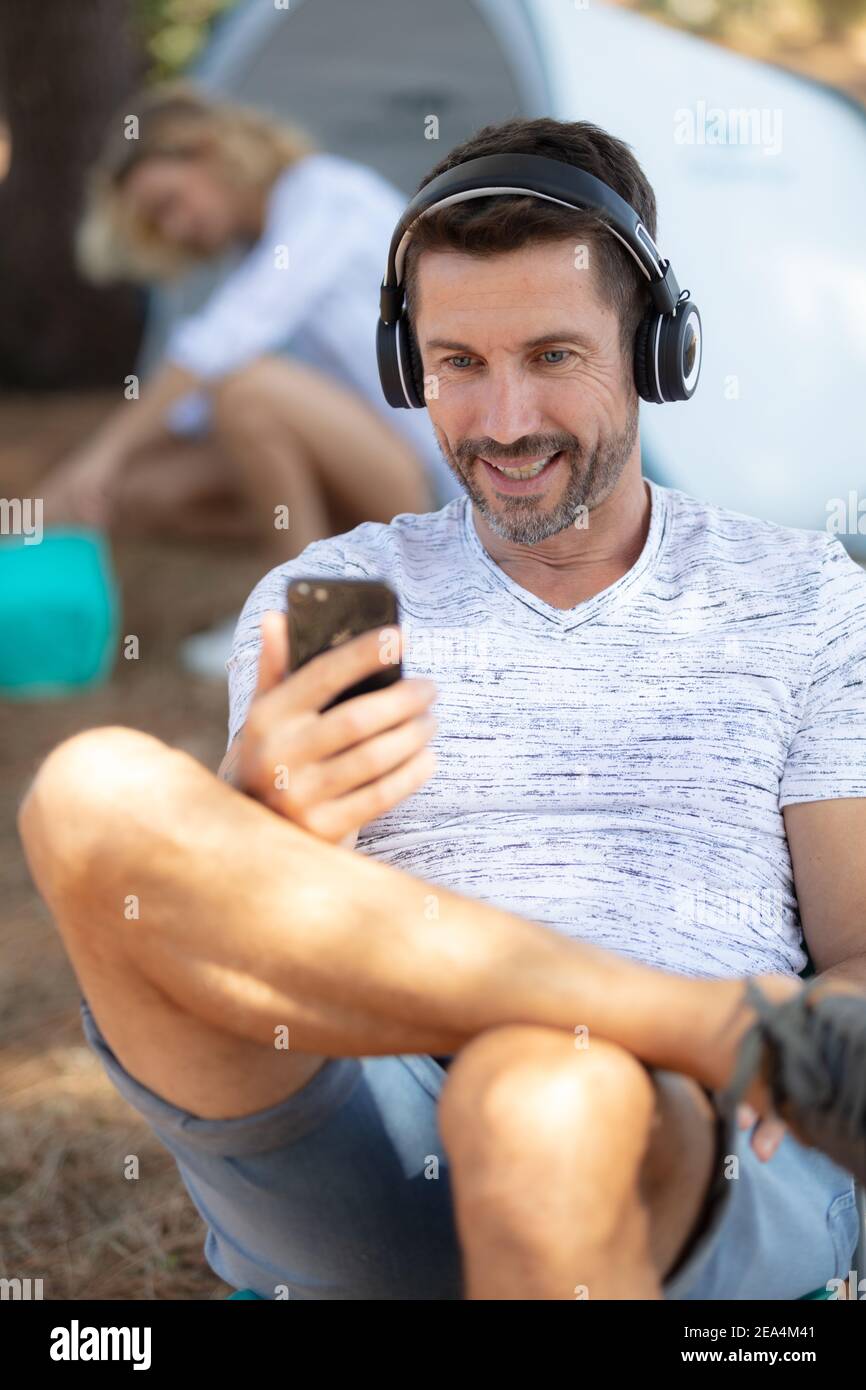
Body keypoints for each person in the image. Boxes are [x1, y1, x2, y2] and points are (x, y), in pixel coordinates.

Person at [18, 117, 866, 1301]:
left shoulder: (805, 598)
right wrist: (258, 821)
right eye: (458, 364)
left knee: (539, 1093)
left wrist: (757, 1055)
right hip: (368, 1143)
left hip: (698, 1144)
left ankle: (698, 1043)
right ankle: (707, 1019)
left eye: (554, 356)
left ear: (656, 352)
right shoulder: (332, 593)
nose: (503, 420)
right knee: (90, 789)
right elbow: (257, 959)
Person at [41, 84, 462, 670]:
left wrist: (100, 456)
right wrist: (112, 476)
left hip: (436, 478)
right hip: (369, 461)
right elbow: (188, 408)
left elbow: (223, 343)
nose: (176, 228)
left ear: (209, 151)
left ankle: (319, 626)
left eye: (168, 203)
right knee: (149, 490)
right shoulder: (254, 249)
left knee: (249, 391)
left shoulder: (325, 195)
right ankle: (364, 584)